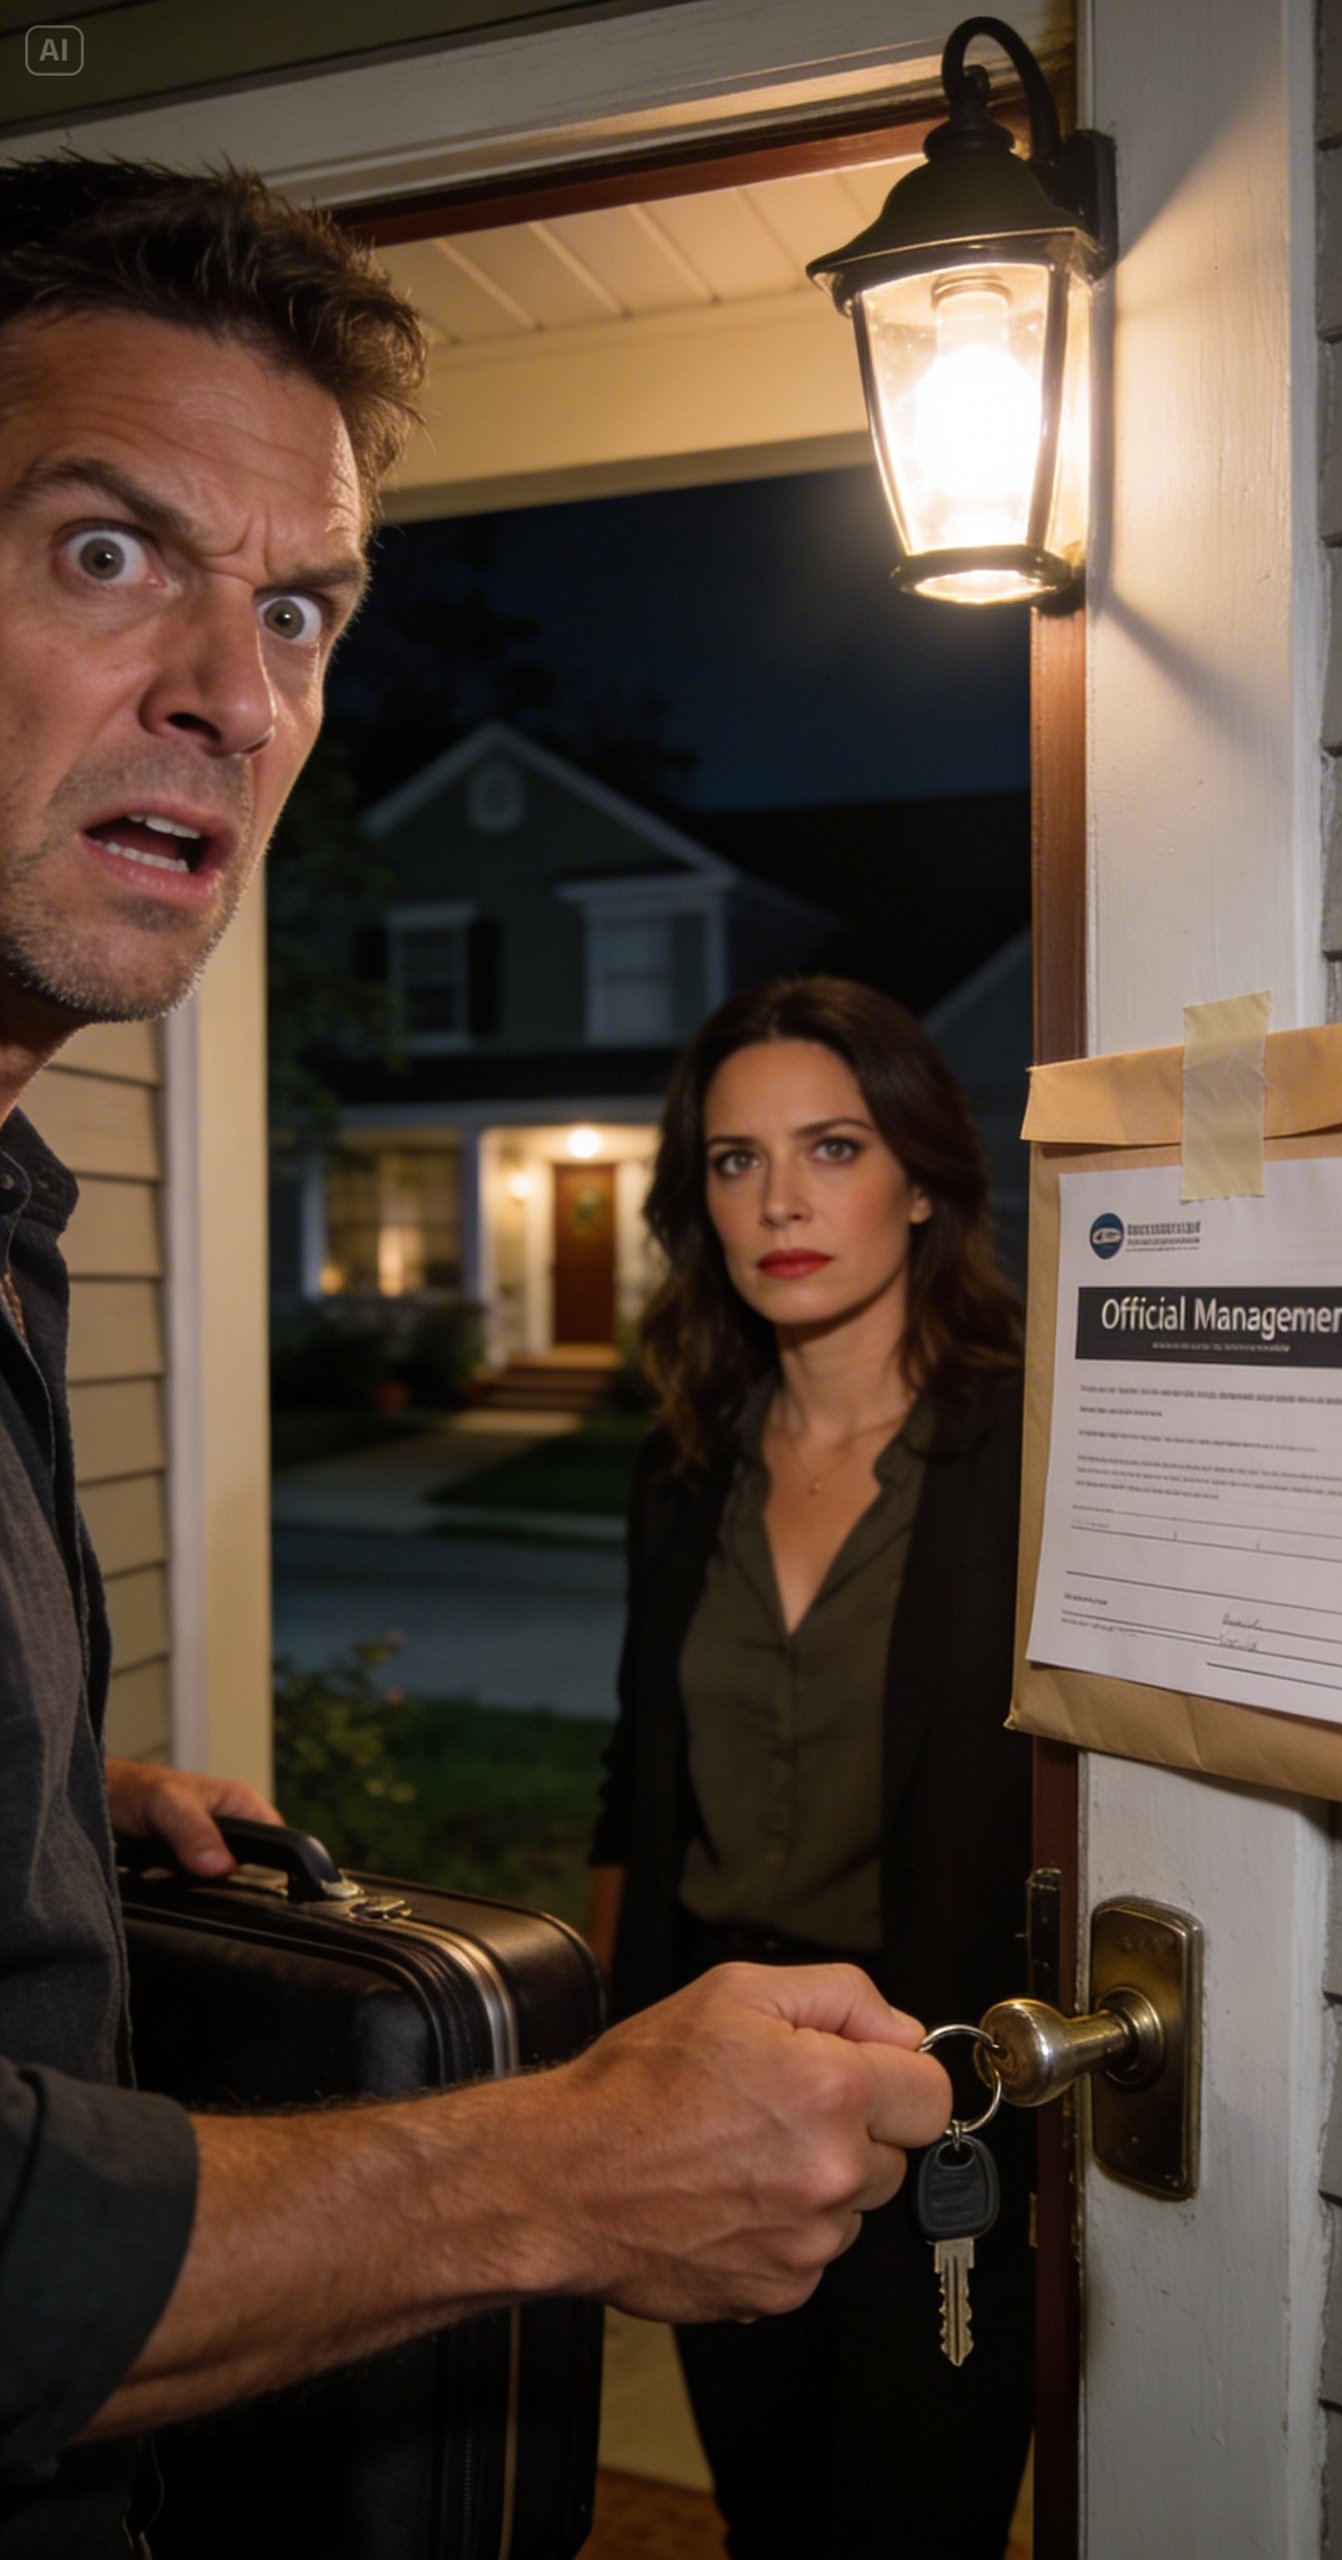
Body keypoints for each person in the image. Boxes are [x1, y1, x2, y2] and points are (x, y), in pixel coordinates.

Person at [0, 158, 954, 2557]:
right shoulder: (684, 1454)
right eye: (105, 549)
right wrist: (558, 2160)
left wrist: (47, 1792)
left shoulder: (17, 1224)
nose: (236, 696)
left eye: (297, 609)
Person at [589, 977, 1034, 2560]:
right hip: (718, 2082)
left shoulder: (1034, 1454)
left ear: (920, 1181)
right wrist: (613, 2056)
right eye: (735, 1160)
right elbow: (636, 1778)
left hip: (939, 2091)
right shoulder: (683, 1465)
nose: (778, 1200)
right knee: (764, 2518)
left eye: (832, 1147)